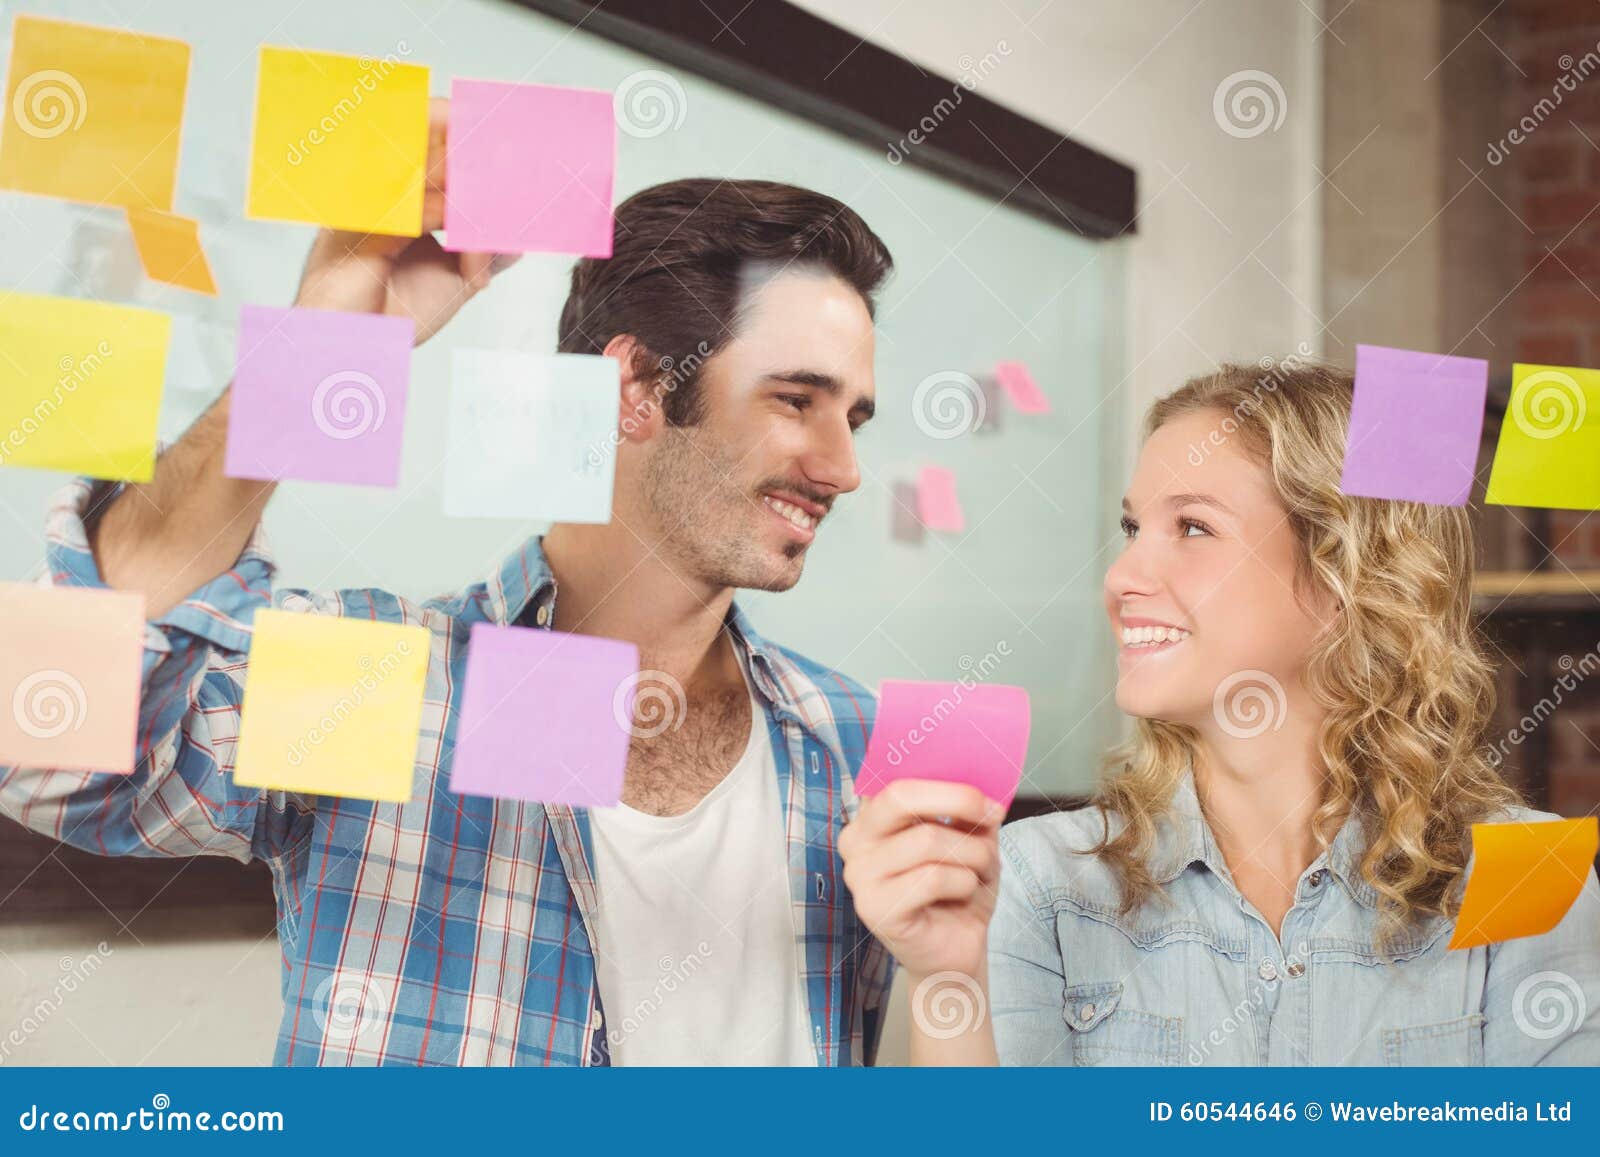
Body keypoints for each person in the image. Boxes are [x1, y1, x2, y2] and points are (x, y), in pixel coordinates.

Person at [0, 101, 896, 1066]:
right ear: (637, 386)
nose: (843, 469)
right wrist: (307, 357)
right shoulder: (378, 686)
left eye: (854, 417)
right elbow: (50, 751)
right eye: (796, 400)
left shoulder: (851, 740)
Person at [840, 360, 1600, 1065]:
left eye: (1193, 527)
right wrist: (947, 976)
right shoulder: (1038, 879)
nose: (1123, 577)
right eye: (1133, 529)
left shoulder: (1528, 874)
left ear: (1341, 582)